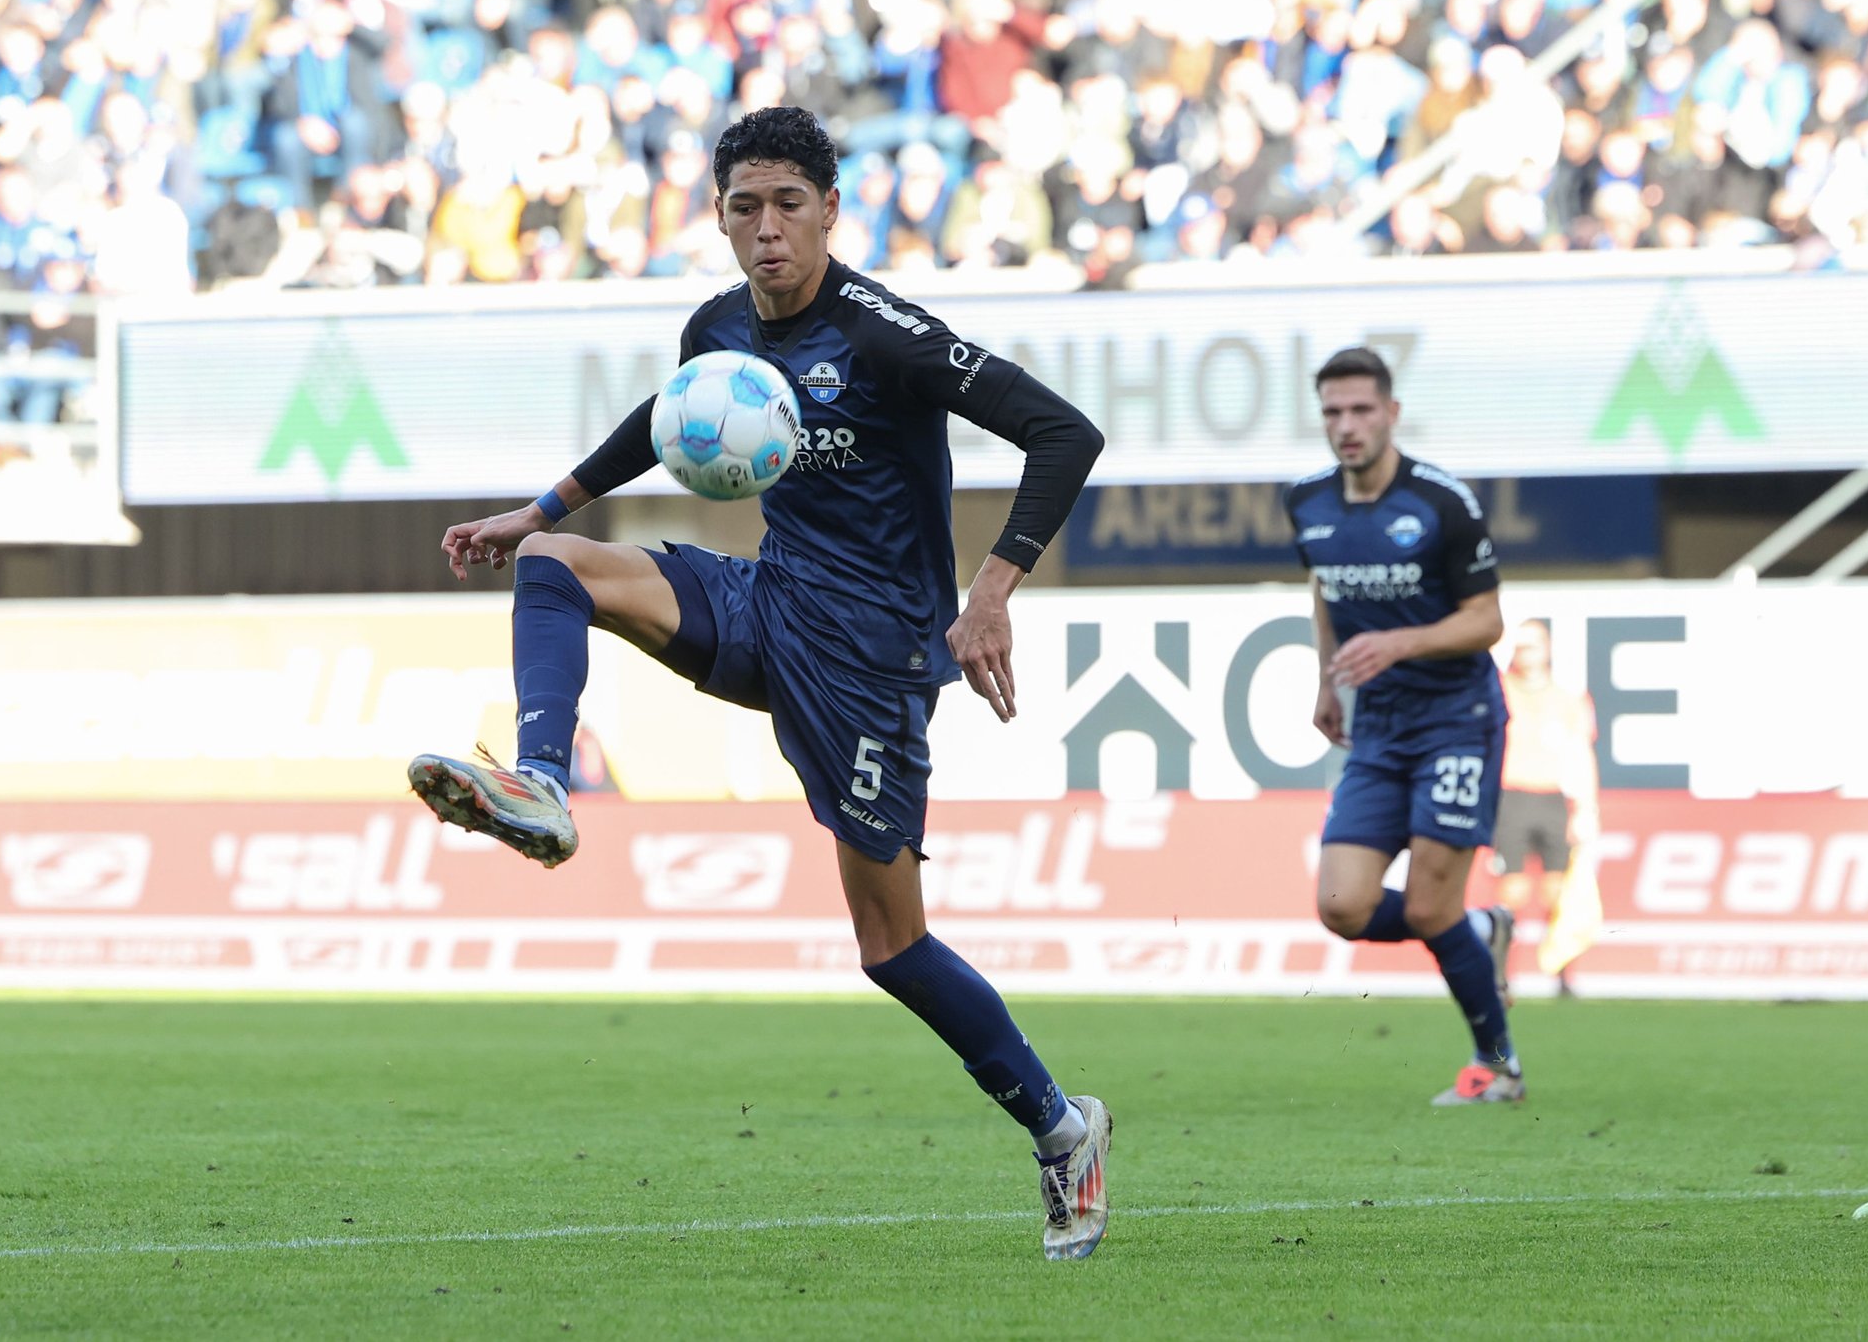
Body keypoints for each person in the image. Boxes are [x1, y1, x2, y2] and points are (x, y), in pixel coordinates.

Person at [407, 108, 1113, 1260]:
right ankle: (540, 782)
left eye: (789, 204)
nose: (768, 227)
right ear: (721, 217)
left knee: (890, 948)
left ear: (830, 211)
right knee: (554, 566)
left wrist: (989, 593)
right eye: (745, 207)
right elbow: (666, 419)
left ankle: (1061, 1129)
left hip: (875, 659)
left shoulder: (885, 336)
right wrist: (537, 510)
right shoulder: (719, 328)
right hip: (770, 602)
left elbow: (1063, 433)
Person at [1287, 346, 1524, 1107]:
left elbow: (1486, 620)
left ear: (1391, 413)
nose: (1346, 425)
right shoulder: (1307, 502)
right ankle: (1477, 932)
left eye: (1361, 410)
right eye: (1333, 412)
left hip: (1457, 719)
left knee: (1426, 906)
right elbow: (1325, 589)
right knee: (1342, 907)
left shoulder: (1441, 502)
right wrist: (1328, 679)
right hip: (1381, 728)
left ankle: (1499, 1065)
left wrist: (1397, 643)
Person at [1492, 617, 1602, 996]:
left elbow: (1581, 753)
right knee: (1512, 893)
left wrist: (1586, 808)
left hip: (1553, 800)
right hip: (1511, 798)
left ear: (1548, 648)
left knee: (1558, 892)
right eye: (1520, 645)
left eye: (1533, 644)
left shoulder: (1568, 699)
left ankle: (1562, 974)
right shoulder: (1501, 691)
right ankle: (1500, 976)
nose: (1526, 652)